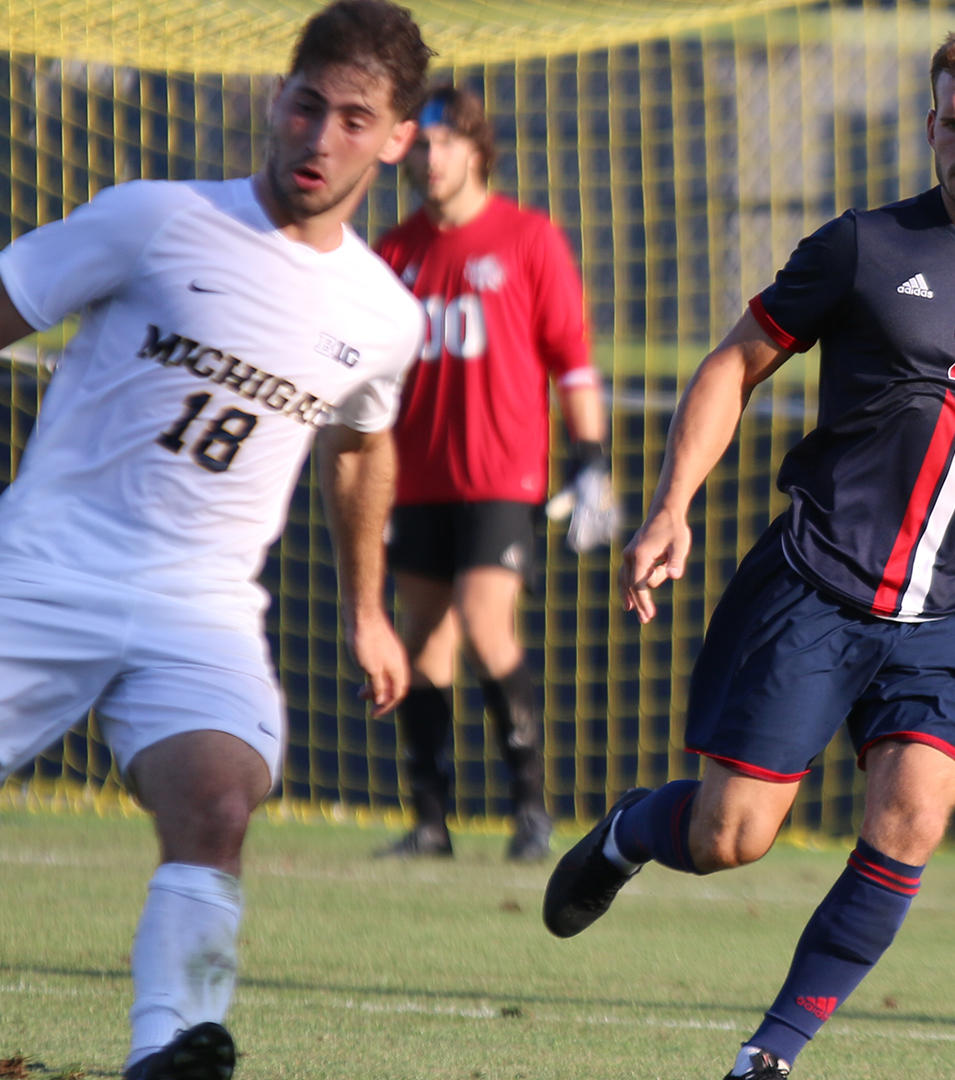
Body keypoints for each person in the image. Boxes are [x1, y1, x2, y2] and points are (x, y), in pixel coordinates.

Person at [543, 26, 955, 1079]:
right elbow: (735, 364)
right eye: (953, 121)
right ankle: (633, 833)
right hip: (817, 585)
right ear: (931, 122)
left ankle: (771, 1054)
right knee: (734, 839)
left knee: (911, 818)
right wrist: (672, 504)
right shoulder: (866, 247)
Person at [0, 2, 431, 1075]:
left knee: (220, 799)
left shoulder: (384, 315)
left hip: (201, 607)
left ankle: (173, 1051)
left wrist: (367, 606)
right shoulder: (153, 218)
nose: (321, 138)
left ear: (396, 140)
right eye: (306, 106)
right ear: (273, 101)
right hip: (43, 569)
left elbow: (360, 445)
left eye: (353, 118)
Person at [372, 84, 611, 863]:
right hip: (415, 478)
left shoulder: (528, 237)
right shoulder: (395, 251)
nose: (429, 157)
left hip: (502, 477)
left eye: (443, 142)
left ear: (476, 149)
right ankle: (430, 822)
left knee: (484, 622)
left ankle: (530, 810)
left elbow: (572, 361)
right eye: (419, 144)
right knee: (423, 646)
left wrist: (591, 462)